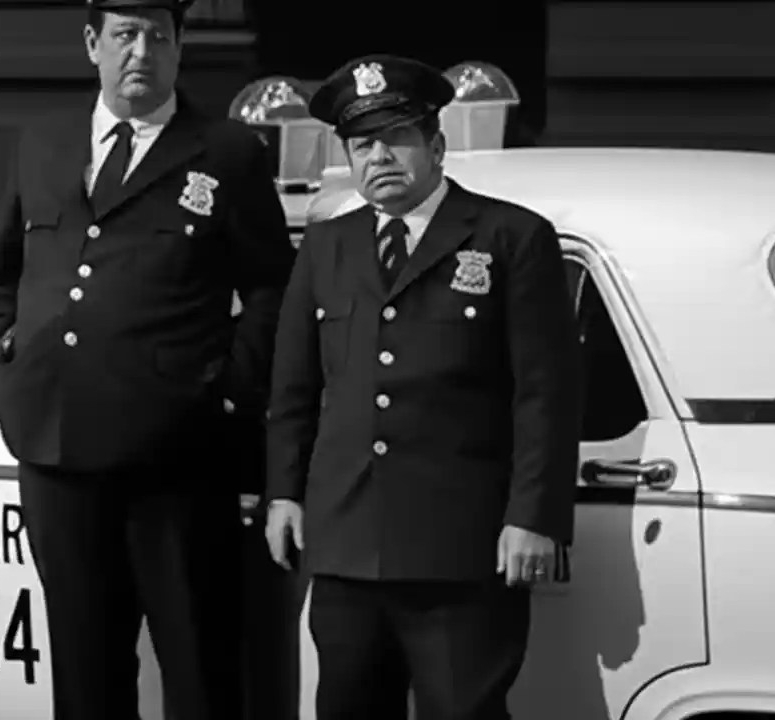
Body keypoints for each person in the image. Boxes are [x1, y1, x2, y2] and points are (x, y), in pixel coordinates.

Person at [0, 0, 296, 716]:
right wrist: (8, 361)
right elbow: (4, 274)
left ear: (180, 49)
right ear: (93, 44)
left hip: (175, 463)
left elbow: (273, 287)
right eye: (124, 35)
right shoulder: (46, 143)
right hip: (57, 455)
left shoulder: (225, 152)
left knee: (199, 674)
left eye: (158, 36)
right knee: (85, 677)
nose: (140, 51)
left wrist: (222, 391)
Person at [263, 54, 582, 719]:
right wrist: (284, 495)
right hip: (347, 544)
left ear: (436, 145)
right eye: (361, 143)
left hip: (460, 550)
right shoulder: (327, 246)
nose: (378, 156)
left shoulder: (510, 237)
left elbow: (545, 393)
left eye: (396, 137)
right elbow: (294, 389)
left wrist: (534, 517)